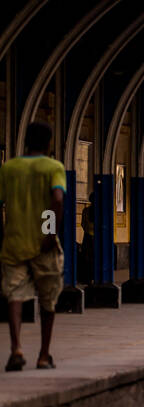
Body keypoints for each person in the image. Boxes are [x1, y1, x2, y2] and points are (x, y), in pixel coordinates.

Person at [0, 122, 66, 371]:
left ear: (26, 140)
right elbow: (57, 199)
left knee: (14, 295)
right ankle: (43, 355)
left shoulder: (9, 168)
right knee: (49, 299)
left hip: (14, 242)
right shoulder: (53, 167)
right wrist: (48, 231)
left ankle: (16, 348)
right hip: (43, 244)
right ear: (49, 143)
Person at [78, 191, 95, 285]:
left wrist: (88, 230)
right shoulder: (100, 211)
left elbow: (82, 224)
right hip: (96, 238)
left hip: (87, 237)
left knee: (87, 258)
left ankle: (86, 277)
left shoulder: (86, 210)